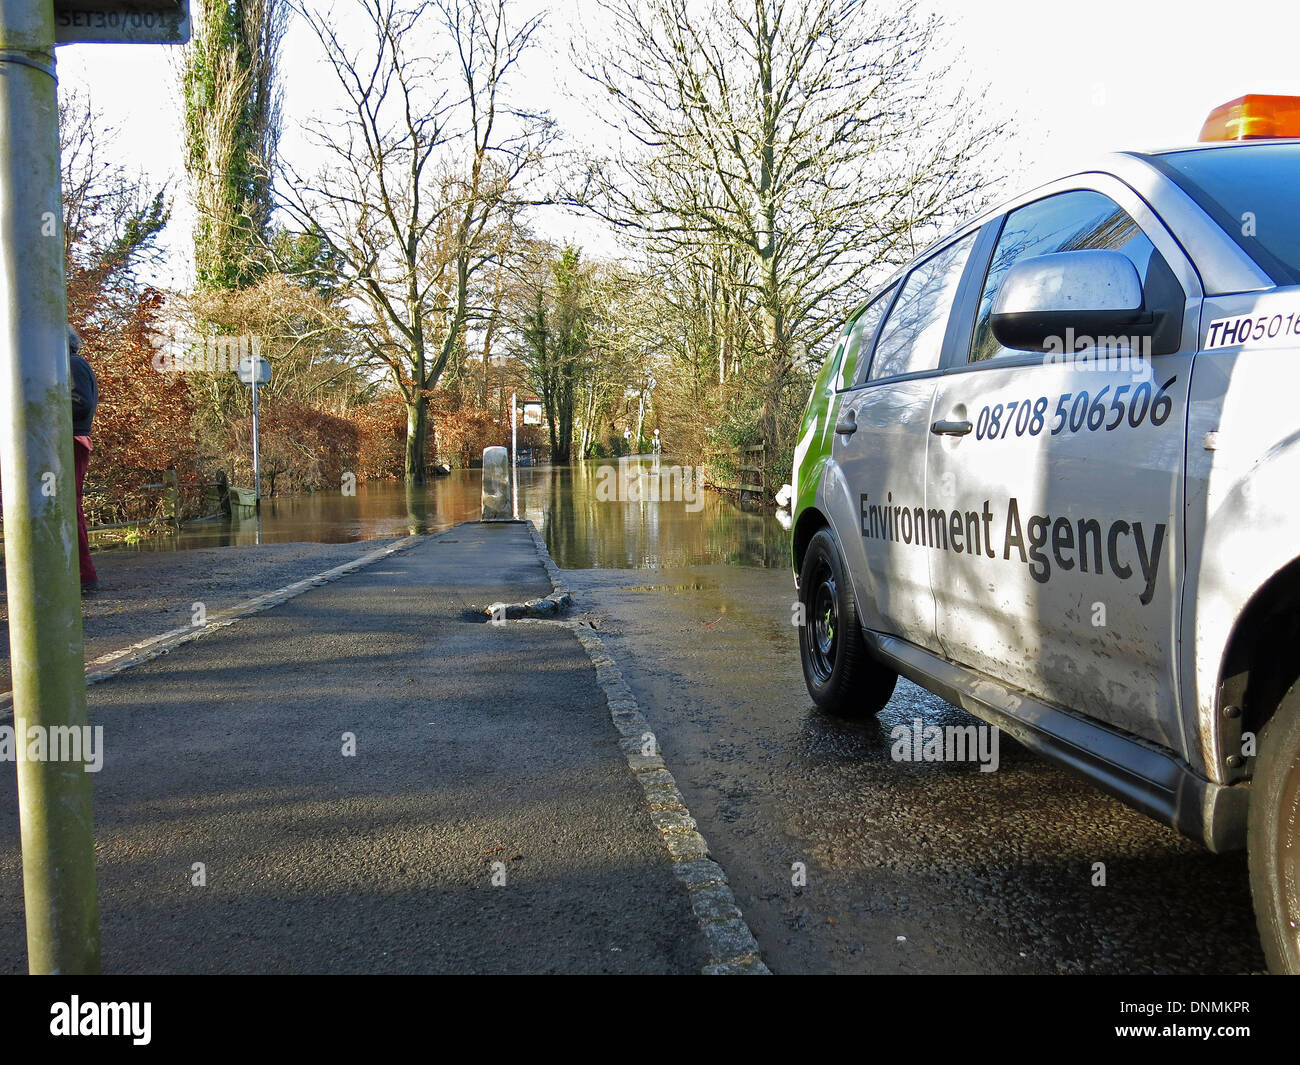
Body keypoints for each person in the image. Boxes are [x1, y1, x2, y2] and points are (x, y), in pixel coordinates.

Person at [69, 326, 99, 594]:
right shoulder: (72, 363)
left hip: (72, 440)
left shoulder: (73, 364)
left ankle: (83, 573)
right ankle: (78, 571)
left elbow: (82, 403)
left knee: (69, 505)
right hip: (69, 439)